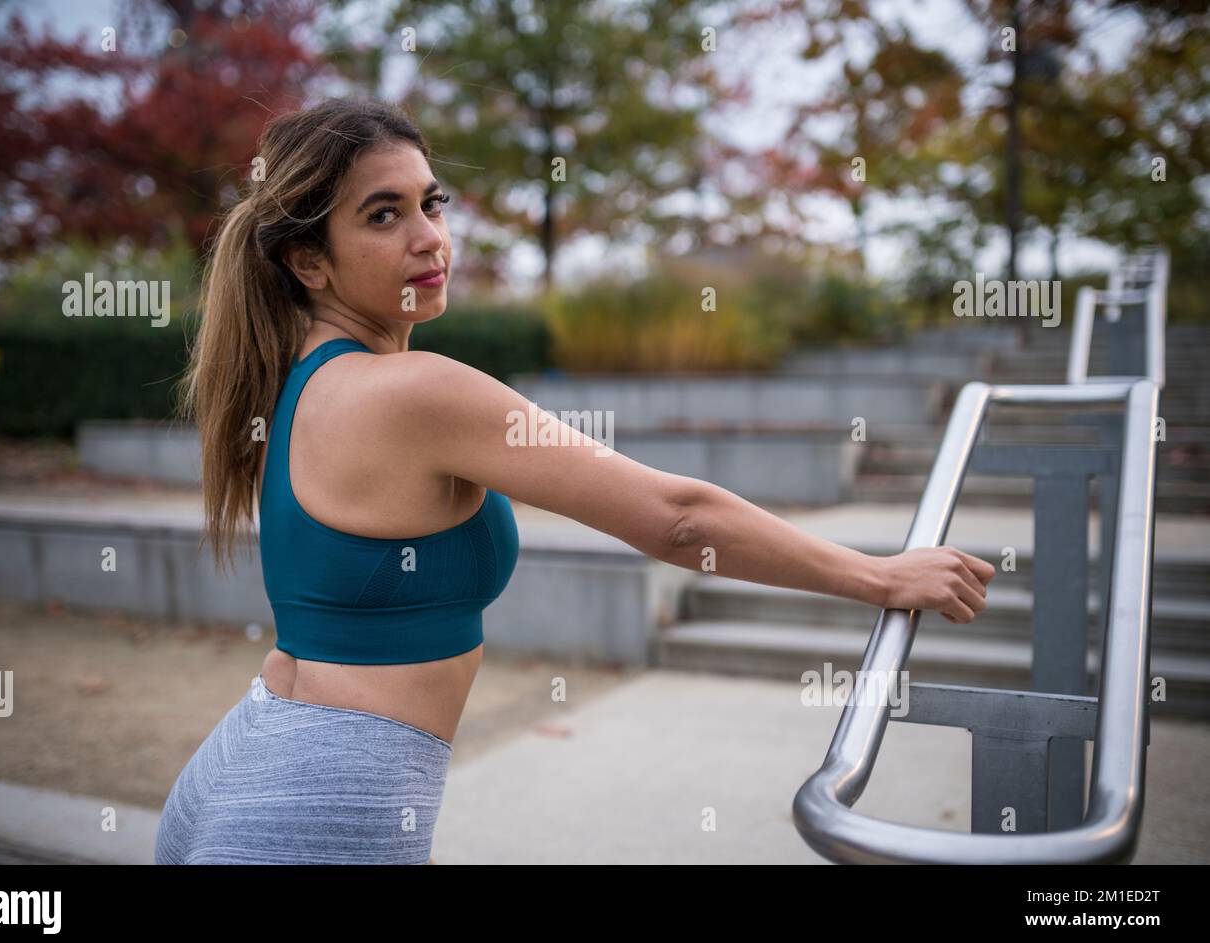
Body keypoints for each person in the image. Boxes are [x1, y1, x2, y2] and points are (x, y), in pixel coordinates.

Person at [154, 96, 995, 865]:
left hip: (250, 766)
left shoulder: (297, 381)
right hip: (321, 806)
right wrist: (878, 574)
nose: (428, 238)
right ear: (310, 262)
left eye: (430, 202)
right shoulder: (413, 391)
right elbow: (678, 520)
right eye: (384, 215)